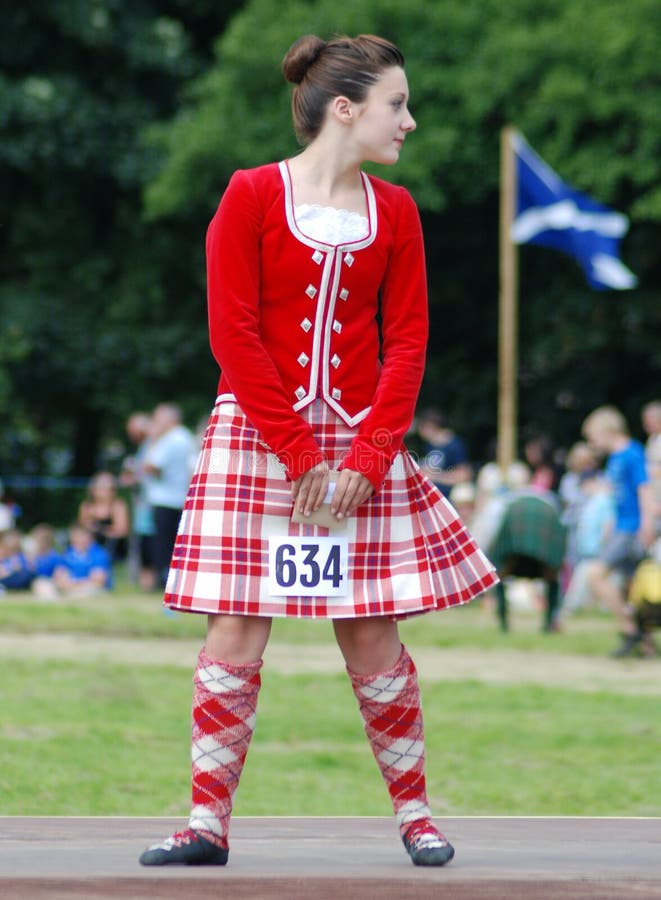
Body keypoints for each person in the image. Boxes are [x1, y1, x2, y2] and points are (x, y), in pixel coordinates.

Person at [139, 33, 497, 870]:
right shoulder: (251, 193)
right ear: (344, 109)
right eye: (395, 104)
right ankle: (206, 824)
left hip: (360, 443)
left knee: (371, 632)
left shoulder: (395, 211)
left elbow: (407, 341)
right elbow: (232, 332)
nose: (408, 120)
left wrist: (369, 459)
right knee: (235, 627)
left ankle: (416, 817)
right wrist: (301, 455)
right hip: (261, 436)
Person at [581, 406, 655, 657]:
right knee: (632, 588)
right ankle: (645, 644)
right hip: (621, 527)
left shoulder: (632, 453)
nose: (592, 443)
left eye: (593, 436)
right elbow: (617, 499)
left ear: (608, 430)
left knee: (595, 575)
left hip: (632, 529)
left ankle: (630, 629)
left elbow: (644, 489)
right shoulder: (614, 459)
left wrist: (647, 524)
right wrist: (610, 527)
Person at [143, 403, 197, 589]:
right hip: (181, 498)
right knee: (177, 544)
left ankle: (163, 582)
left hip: (164, 499)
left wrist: (152, 440)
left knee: (162, 545)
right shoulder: (186, 437)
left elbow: (152, 466)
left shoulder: (170, 439)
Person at [120, 412, 157, 591]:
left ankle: (153, 583)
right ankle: (146, 584)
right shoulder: (145, 446)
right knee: (144, 544)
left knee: (151, 544)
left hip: (152, 502)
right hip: (144, 503)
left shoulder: (154, 444)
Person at [417, 408, 472, 497]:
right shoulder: (429, 445)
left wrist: (435, 476)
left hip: (448, 497)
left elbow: (464, 475)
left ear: (429, 426)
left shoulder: (454, 444)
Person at [77, 471, 130, 562]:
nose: (107, 490)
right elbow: (81, 527)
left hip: (112, 547)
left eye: (110, 488)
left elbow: (122, 531)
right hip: (89, 545)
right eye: (102, 487)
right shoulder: (86, 506)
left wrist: (100, 530)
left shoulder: (118, 505)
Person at [50, 523, 113, 597]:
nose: (77, 539)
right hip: (70, 587)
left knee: (89, 589)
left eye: (80, 536)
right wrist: (66, 582)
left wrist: (74, 583)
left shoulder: (99, 554)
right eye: (74, 536)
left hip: (90, 588)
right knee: (44, 584)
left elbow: (99, 580)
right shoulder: (68, 553)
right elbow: (58, 575)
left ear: (89, 537)